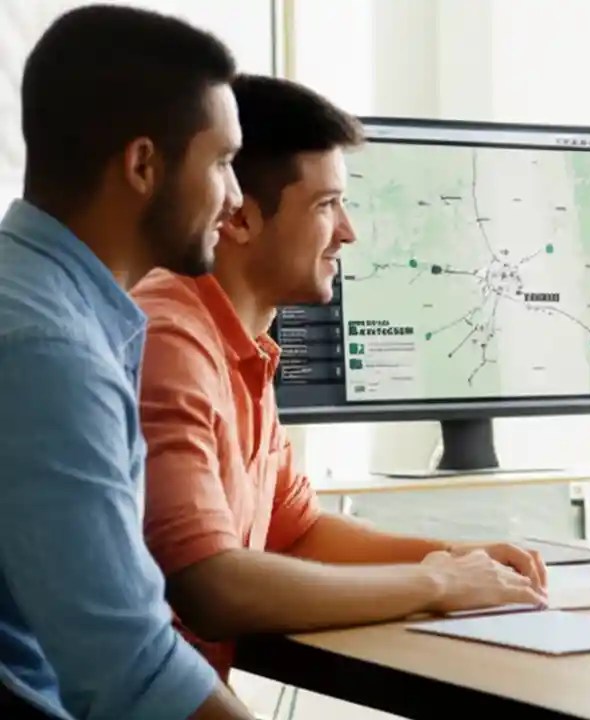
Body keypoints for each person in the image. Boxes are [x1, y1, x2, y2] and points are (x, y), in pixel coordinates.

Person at [131, 74, 549, 680]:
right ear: (240, 219)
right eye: (326, 205)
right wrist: (435, 581)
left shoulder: (238, 343)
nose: (348, 231)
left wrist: (463, 557)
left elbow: (294, 532)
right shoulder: (172, 341)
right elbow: (212, 588)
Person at [0, 5, 255, 720]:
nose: (235, 200)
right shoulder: (49, 352)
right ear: (144, 165)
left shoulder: (40, 303)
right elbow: (130, 673)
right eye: (224, 163)